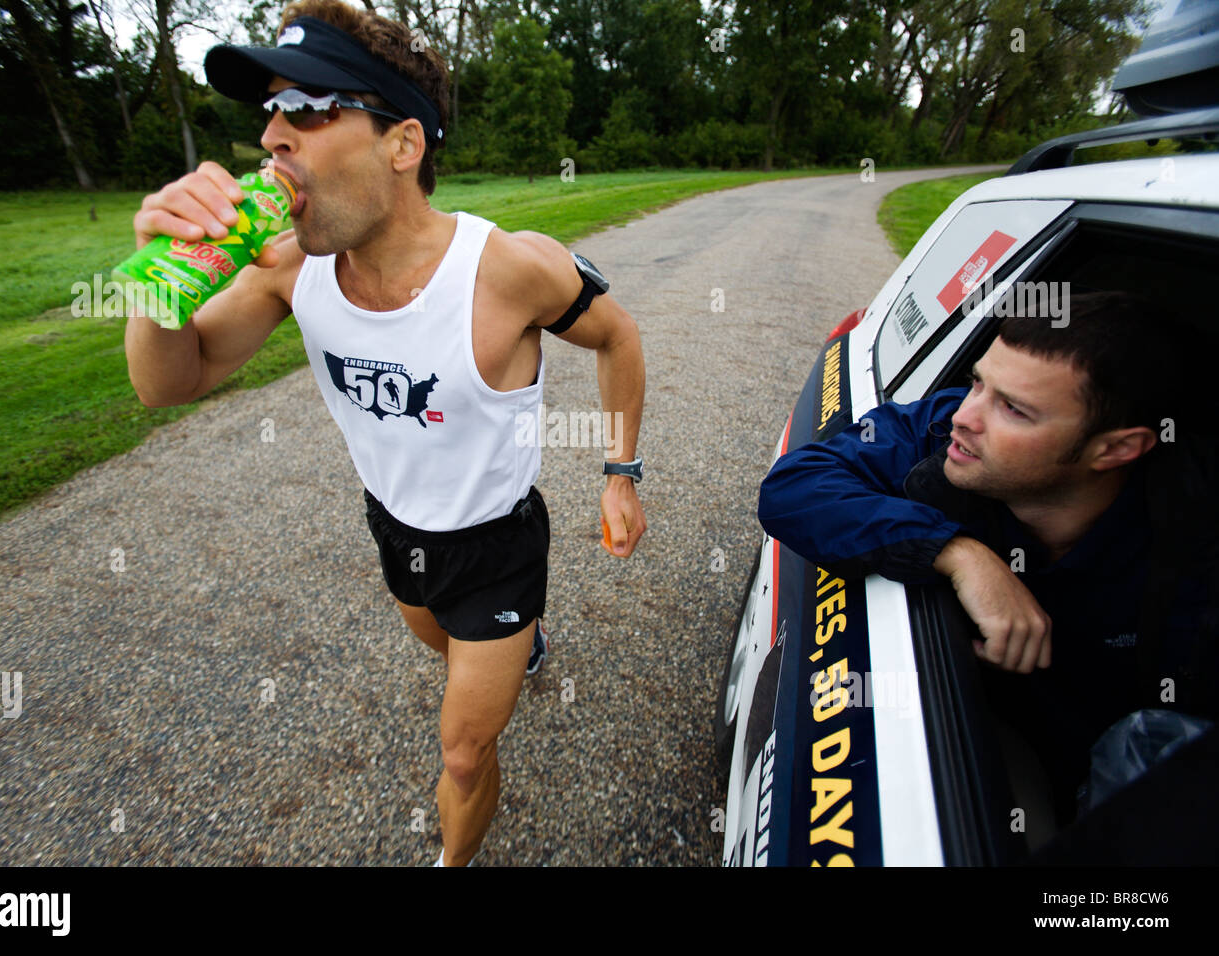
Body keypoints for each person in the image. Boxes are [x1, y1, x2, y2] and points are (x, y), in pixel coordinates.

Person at [123, 0, 647, 866]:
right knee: (439, 642)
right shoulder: (290, 267)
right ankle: (517, 650)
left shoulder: (509, 270)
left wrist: (620, 472)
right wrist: (160, 279)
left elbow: (619, 336)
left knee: (463, 750)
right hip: (397, 530)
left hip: (496, 545)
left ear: (403, 145)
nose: (272, 140)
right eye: (270, 114)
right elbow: (166, 381)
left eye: (308, 109)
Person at [758, 290, 1217, 823]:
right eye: (978, 382)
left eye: (1013, 409)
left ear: (1116, 449)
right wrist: (956, 552)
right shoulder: (942, 429)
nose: (965, 416)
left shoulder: (1193, 551)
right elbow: (792, 488)